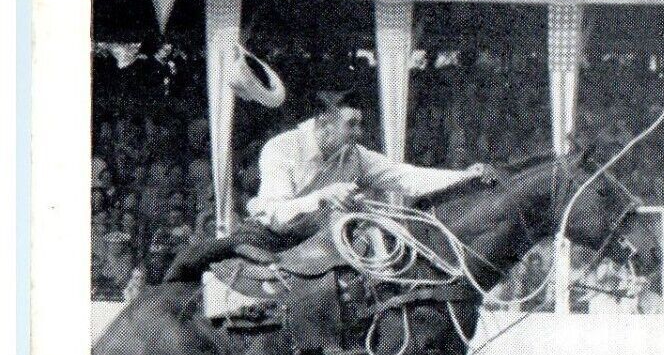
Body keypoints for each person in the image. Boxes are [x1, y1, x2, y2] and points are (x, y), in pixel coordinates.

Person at [163, 92, 495, 283]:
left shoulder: (357, 156)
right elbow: (276, 215)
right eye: (352, 124)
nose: (359, 132)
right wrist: (322, 197)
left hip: (323, 244)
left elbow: (404, 177)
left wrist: (464, 176)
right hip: (268, 238)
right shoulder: (281, 148)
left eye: (360, 124)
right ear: (324, 124)